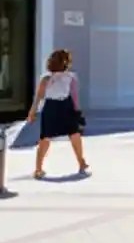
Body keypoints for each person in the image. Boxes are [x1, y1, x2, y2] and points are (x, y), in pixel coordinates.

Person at [26, 49, 88, 179]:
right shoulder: (70, 77)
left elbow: (39, 97)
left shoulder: (47, 78)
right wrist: (78, 111)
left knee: (46, 138)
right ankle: (81, 163)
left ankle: (38, 169)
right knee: (74, 134)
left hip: (51, 107)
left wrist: (32, 112)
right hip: (66, 105)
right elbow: (75, 96)